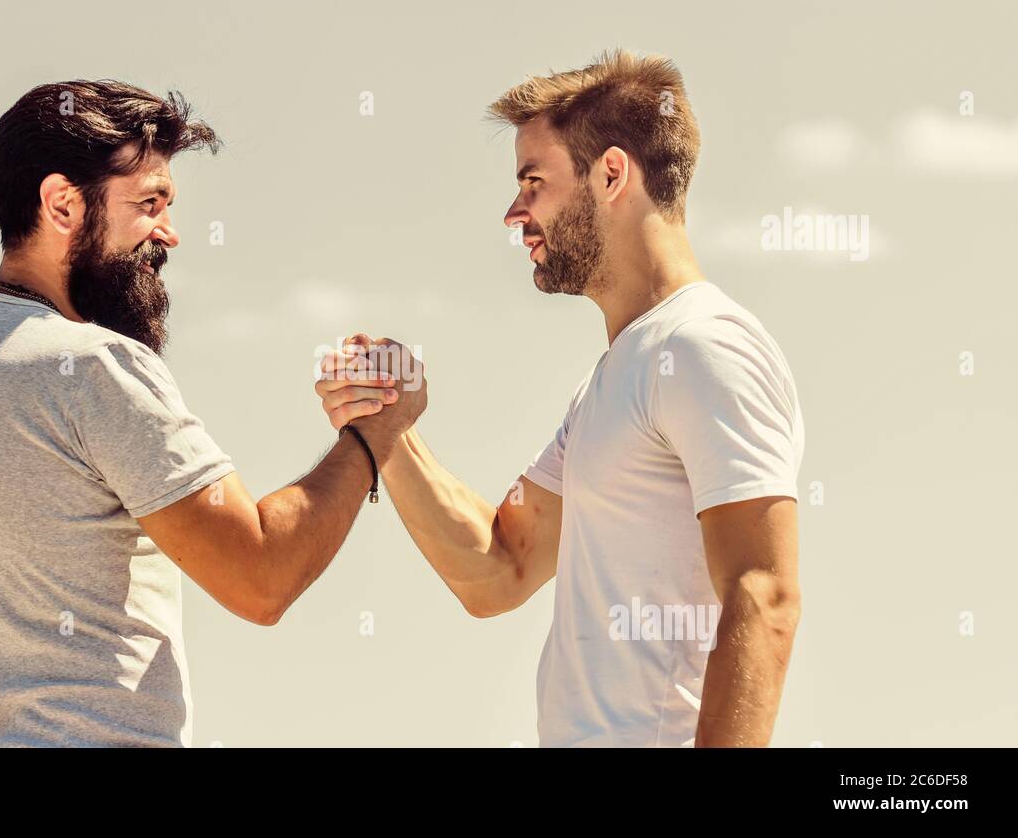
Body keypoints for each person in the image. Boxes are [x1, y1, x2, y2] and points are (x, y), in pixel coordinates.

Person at [0, 80, 423, 747]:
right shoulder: (94, 365)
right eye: (148, 205)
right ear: (62, 204)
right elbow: (261, 577)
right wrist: (371, 437)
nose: (168, 232)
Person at [316, 50, 805, 747]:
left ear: (611, 174)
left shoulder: (704, 346)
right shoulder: (614, 377)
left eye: (534, 182)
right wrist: (389, 428)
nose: (515, 213)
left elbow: (764, 591)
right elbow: (501, 565)